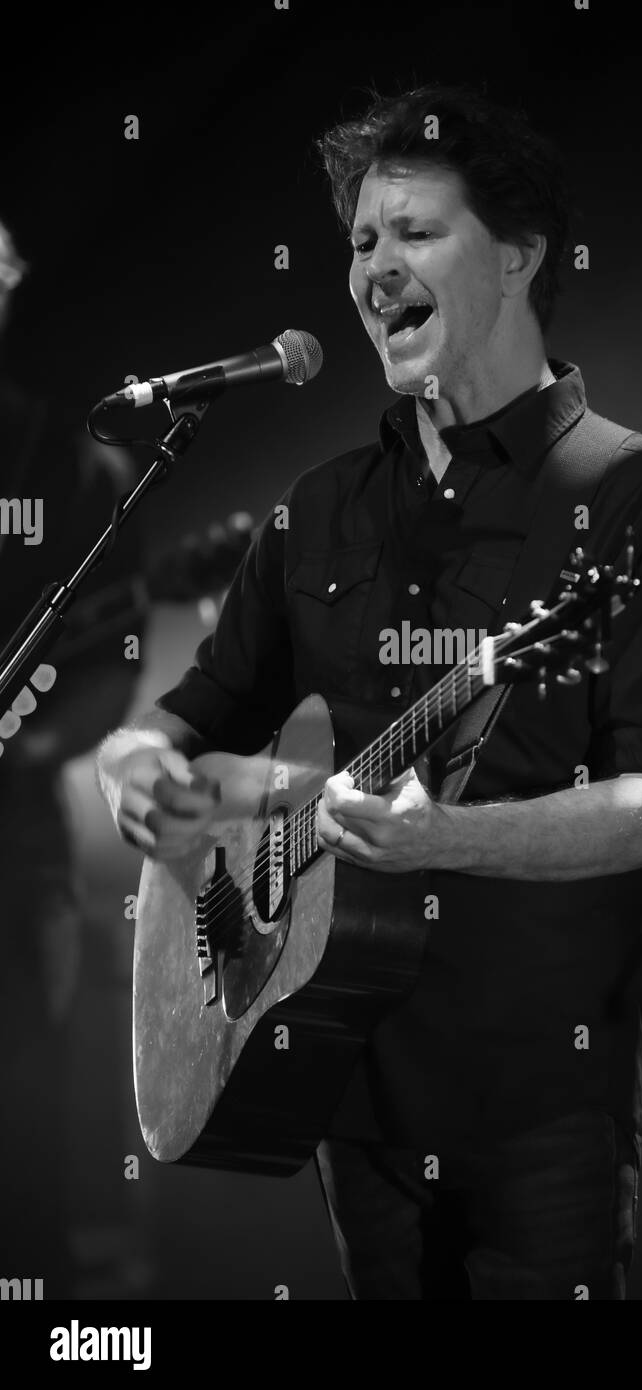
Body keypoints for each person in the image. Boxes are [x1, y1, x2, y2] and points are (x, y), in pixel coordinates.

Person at [95, 85, 642, 1300]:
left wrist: (447, 837)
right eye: (358, 243)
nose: (375, 267)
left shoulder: (641, 498)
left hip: (540, 1104)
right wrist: (137, 772)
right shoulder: (322, 504)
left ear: (516, 255)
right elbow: (188, 720)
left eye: (412, 233)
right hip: (344, 1075)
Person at [0, 217, 146, 1296]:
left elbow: (108, 659)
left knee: (23, 1125)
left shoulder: (64, 456)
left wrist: (22, 742)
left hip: (12, 853)